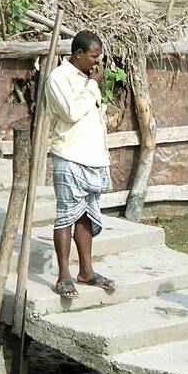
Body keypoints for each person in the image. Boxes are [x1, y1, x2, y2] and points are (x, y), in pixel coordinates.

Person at [45, 30, 116, 297]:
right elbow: (71, 112)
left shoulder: (89, 79)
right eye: (94, 56)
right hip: (69, 155)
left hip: (93, 157)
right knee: (66, 215)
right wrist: (92, 85)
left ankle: (86, 271)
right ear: (78, 54)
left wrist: (92, 84)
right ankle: (64, 275)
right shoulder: (58, 78)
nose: (97, 62)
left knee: (86, 214)